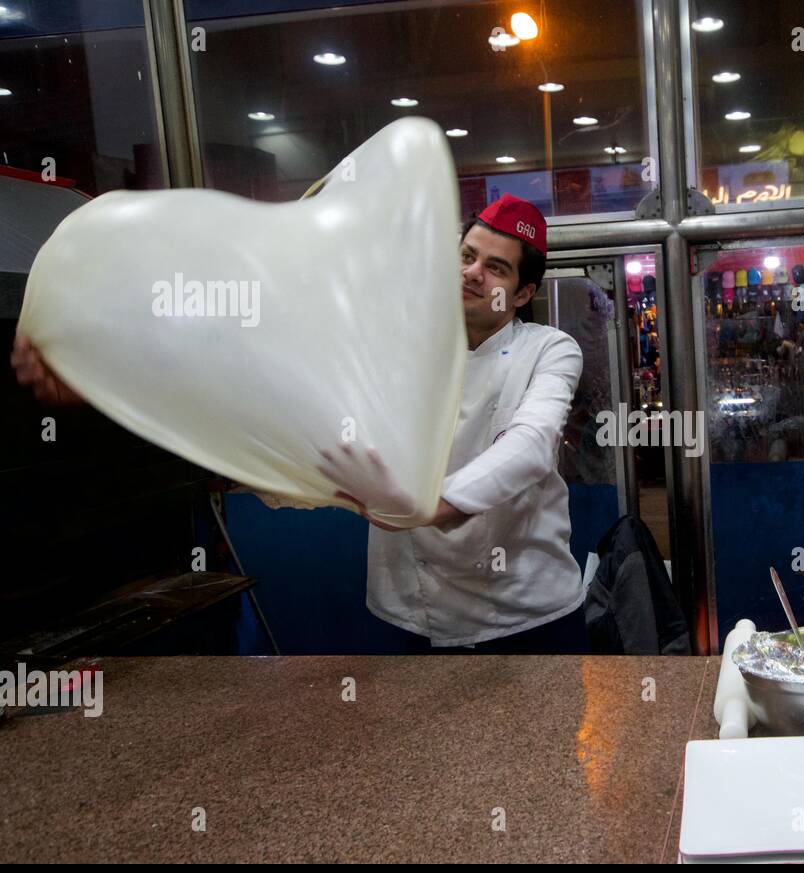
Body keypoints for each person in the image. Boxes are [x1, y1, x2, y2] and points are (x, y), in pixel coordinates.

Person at [12, 193, 589, 653]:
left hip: (526, 617)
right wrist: (95, 373)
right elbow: (286, 405)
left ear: (522, 293)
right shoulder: (393, 346)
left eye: (495, 268)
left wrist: (432, 504)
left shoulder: (550, 349)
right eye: (466, 255)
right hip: (409, 615)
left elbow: (532, 443)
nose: (471, 274)